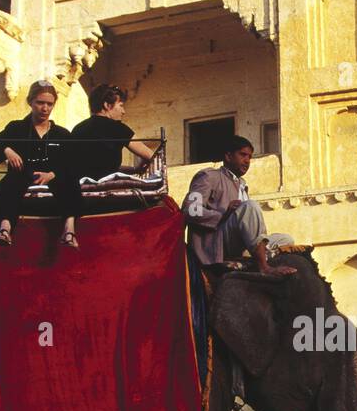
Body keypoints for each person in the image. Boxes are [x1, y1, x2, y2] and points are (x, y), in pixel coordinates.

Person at [0, 79, 82, 249]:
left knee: (70, 182)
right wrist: (6, 149)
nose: (45, 108)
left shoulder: (62, 134)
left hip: (54, 177)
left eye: (49, 104)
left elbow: (74, 162)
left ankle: (69, 231)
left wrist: (52, 174)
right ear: (30, 102)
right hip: (22, 175)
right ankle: (5, 229)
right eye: (40, 103)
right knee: (9, 182)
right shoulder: (16, 128)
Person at [183, 135, 296, 276]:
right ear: (228, 156)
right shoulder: (208, 176)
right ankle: (264, 266)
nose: (247, 161)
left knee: (286, 240)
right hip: (217, 241)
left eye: (250, 157)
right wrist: (222, 214)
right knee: (250, 206)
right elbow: (190, 211)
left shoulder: (242, 184)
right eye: (243, 155)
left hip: (237, 242)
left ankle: (255, 255)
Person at [69, 83, 159, 181]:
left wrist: (134, 169)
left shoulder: (77, 129)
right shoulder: (118, 128)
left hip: (82, 189)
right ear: (107, 105)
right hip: (109, 190)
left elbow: (100, 168)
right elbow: (152, 156)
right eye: (120, 106)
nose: (123, 111)